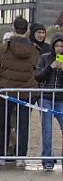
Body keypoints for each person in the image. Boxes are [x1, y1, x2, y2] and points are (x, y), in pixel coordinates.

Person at [0, 16, 40, 167]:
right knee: (23, 125)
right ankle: (21, 155)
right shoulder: (34, 49)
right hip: (26, 91)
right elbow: (36, 69)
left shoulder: (5, 47)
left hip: (7, 90)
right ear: (27, 30)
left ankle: (1, 154)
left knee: (3, 124)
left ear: (13, 28)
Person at [35, 34, 63, 170]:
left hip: (61, 99)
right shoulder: (45, 57)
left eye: (61, 46)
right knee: (47, 130)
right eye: (57, 46)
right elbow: (38, 77)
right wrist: (51, 67)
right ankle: (47, 161)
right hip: (45, 97)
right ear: (53, 46)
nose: (59, 49)